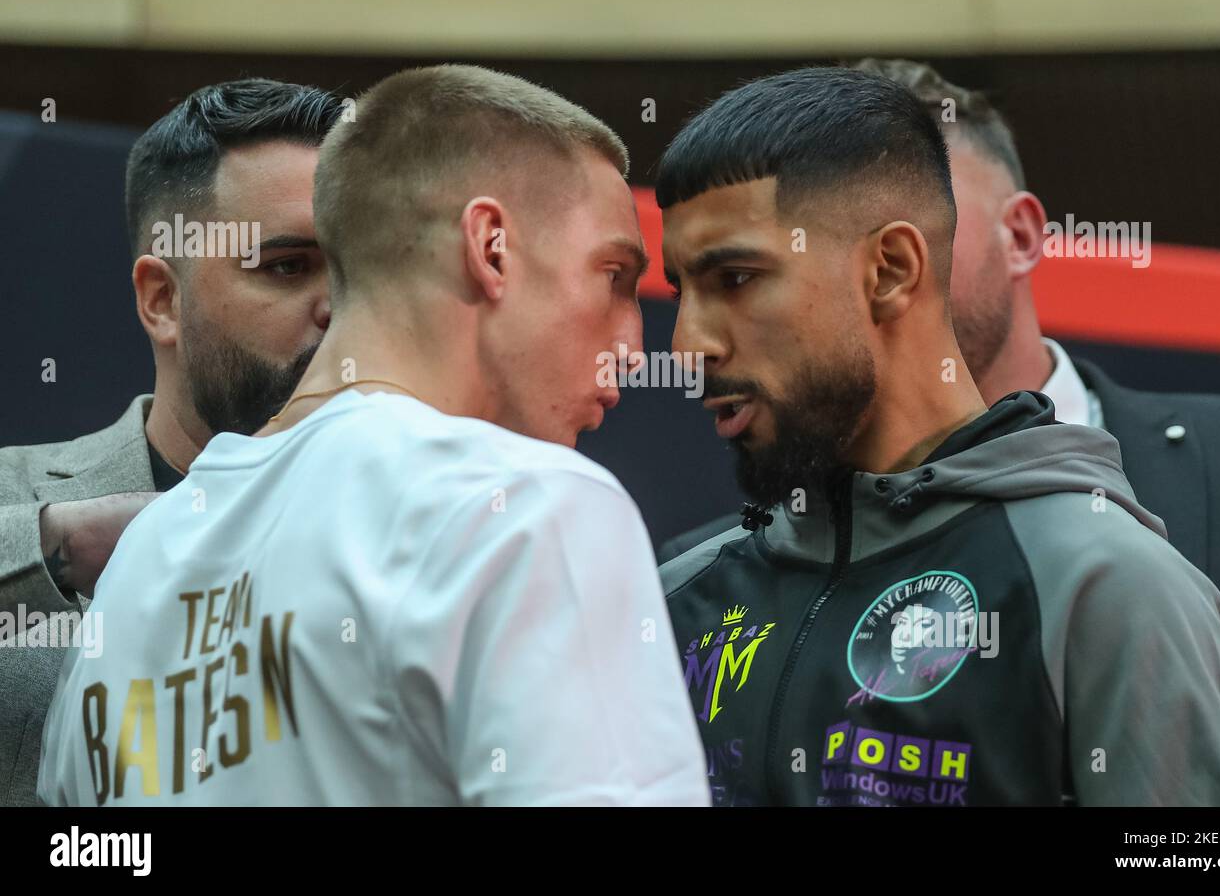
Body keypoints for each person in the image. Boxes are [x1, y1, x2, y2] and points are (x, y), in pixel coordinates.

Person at [38, 64, 710, 806]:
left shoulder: (130, 574)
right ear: (491, 248)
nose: (633, 345)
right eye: (614, 273)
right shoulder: (525, 506)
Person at [660, 56, 1220, 806]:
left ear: (893, 268)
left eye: (735, 278)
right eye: (681, 289)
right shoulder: (681, 593)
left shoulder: (1107, 580)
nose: (685, 346)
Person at [0, 78, 341, 806]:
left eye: (357, 270)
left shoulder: (428, 535)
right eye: (286, 266)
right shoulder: (22, 502)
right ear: (162, 300)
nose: (336, 308)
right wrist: (64, 544)